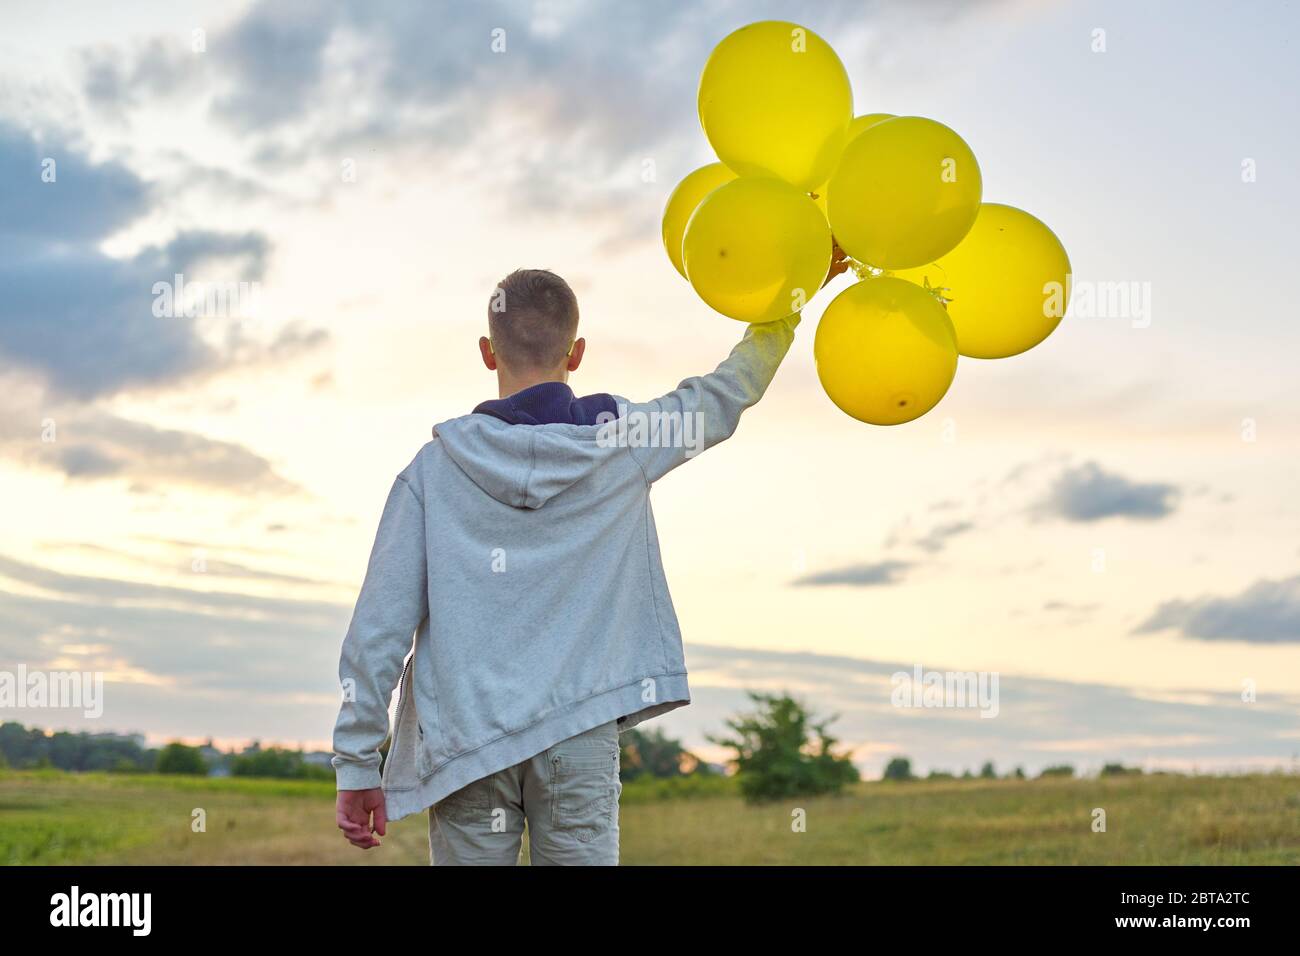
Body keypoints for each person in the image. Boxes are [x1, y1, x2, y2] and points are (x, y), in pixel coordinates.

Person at [333, 257, 846, 865]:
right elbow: (727, 393)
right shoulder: (625, 444)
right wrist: (791, 296)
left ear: (486, 351)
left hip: (464, 742)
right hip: (578, 731)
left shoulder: (432, 472)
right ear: (576, 353)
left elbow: (378, 630)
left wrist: (358, 761)